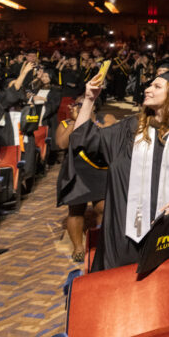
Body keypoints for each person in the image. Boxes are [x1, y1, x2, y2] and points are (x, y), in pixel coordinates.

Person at [69, 71, 169, 271]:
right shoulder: (131, 126)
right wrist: (90, 99)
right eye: (149, 85)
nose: (148, 89)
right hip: (125, 226)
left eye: (157, 86)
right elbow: (83, 138)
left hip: (168, 227)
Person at [55, 101, 115, 262]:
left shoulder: (106, 118)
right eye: (76, 104)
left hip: (99, 169)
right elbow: (62, 144)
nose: (79, 107)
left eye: (83, 103)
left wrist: (87, 120)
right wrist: (76, 122)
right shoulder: (66, 124)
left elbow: (108, 137)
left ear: (93, 105)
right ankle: (78, 247)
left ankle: (100, 243)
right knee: (75, 210)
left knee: (103, 207)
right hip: (76, 171)